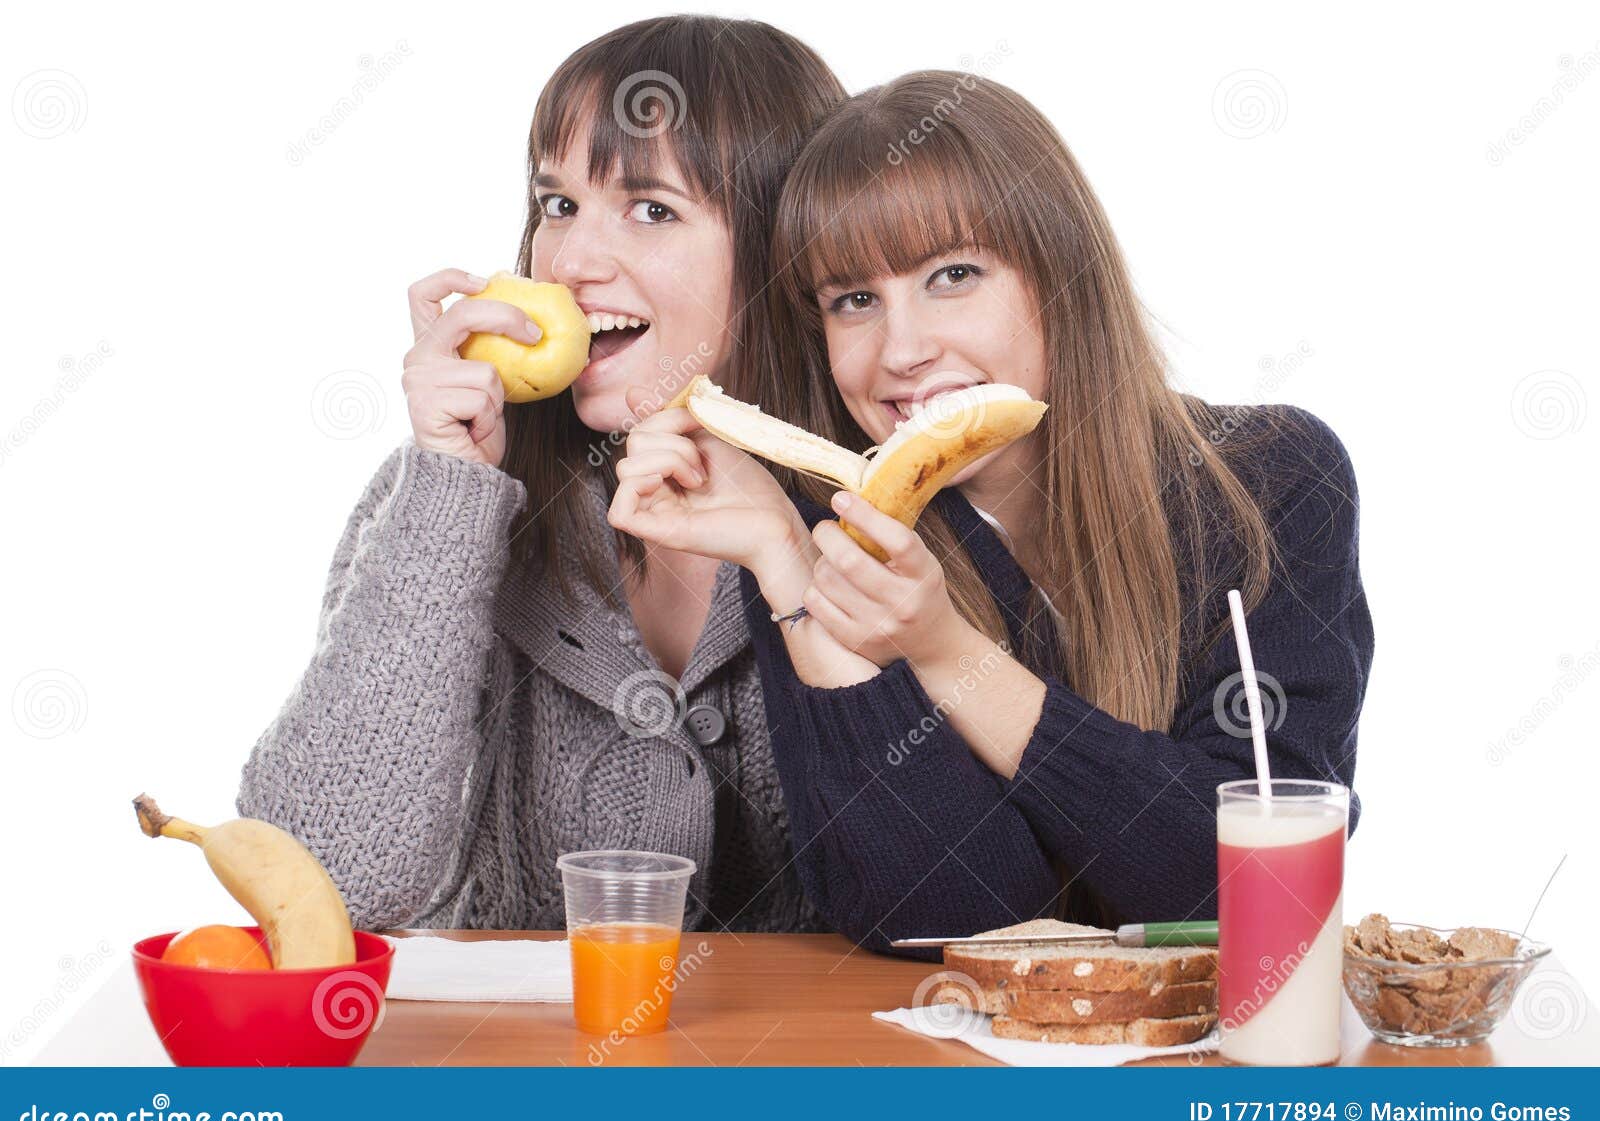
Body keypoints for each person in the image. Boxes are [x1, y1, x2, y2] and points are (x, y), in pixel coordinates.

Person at [609, 72, 1375, 955]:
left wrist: (943, 651)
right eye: (854, 300)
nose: (902, 350)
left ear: (1059, 273)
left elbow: (1251, 886)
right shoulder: (822, 536)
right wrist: (786, 560)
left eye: (954, 275)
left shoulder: (1270, 480)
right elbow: (946, 920)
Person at [236, 16, 847, 933]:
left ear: (784, 243)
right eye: (557, 205)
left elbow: (955, 913)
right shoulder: (443, 497)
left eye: (650, 209)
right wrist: (448, 490)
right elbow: (324, 889)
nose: (570, 264)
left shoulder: (878, 505)